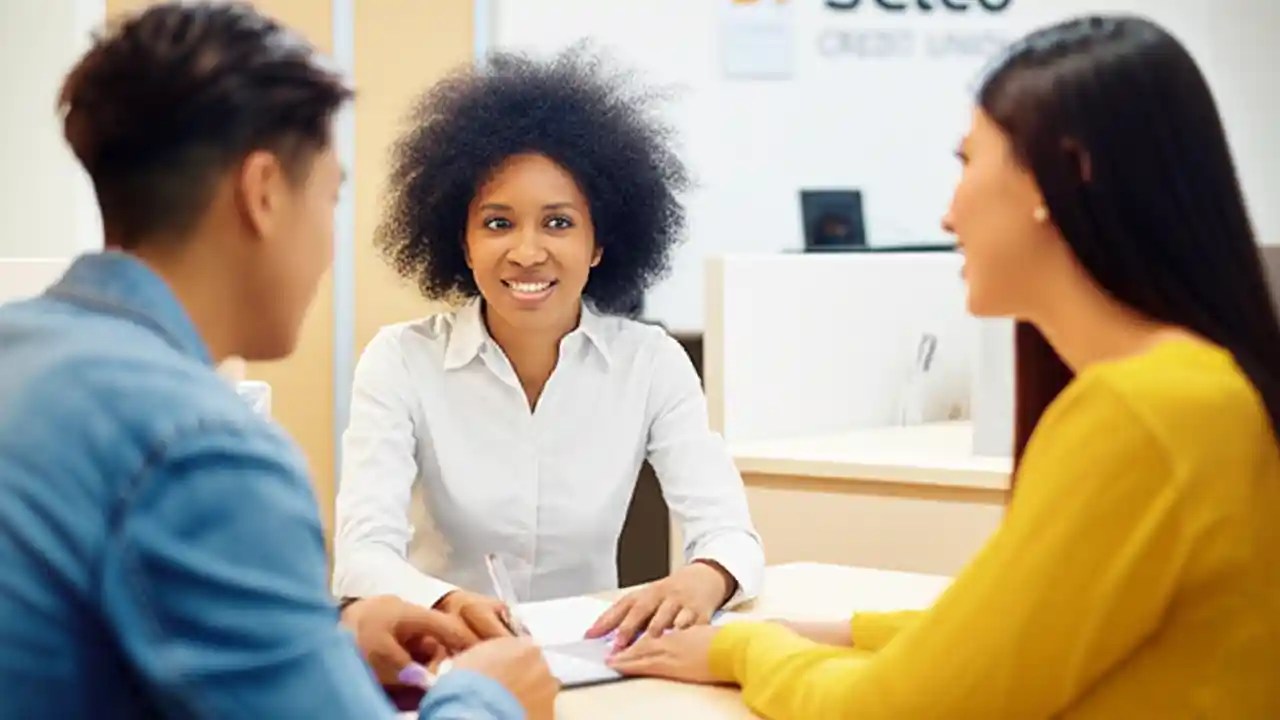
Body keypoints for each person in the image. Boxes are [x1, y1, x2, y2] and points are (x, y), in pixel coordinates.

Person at [606, 15, 1280, 718]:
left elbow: (894, 709)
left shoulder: (1140, 412)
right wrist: (834, 632)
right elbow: (1019, 624)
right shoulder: (1199, 388)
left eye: (967, 163)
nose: (949, 214)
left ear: (1064, 174)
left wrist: (738, 652)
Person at [0, 4, 556, 718]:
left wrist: (330, 637)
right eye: (330, 197)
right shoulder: (201, 448)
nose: (329, 246)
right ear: (262, 194)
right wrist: (491, 697)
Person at [333, 47, 764, 649]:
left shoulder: (651, 363)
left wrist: (703, 578)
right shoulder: (400, 361)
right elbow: (360, 558)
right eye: (498, 223)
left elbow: (731, 537)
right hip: (448, 660)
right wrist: (449, 603)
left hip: (594, 662)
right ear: (461, 241)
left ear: (599, 244)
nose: (528, 252)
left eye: (558, 223)